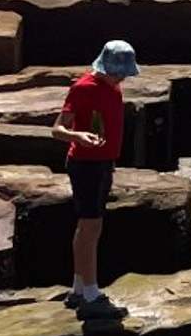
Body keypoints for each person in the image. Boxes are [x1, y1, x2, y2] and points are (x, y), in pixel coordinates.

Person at [52, 40, 140, 317]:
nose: (123, 77)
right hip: (86, 164)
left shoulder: (111, 87)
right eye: (119, 72)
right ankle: (91, 293)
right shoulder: (83, 88)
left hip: (102, 163)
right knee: (90, 228)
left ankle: (79, 287)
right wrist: (77, 135)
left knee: (89, 226)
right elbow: (57, 129)